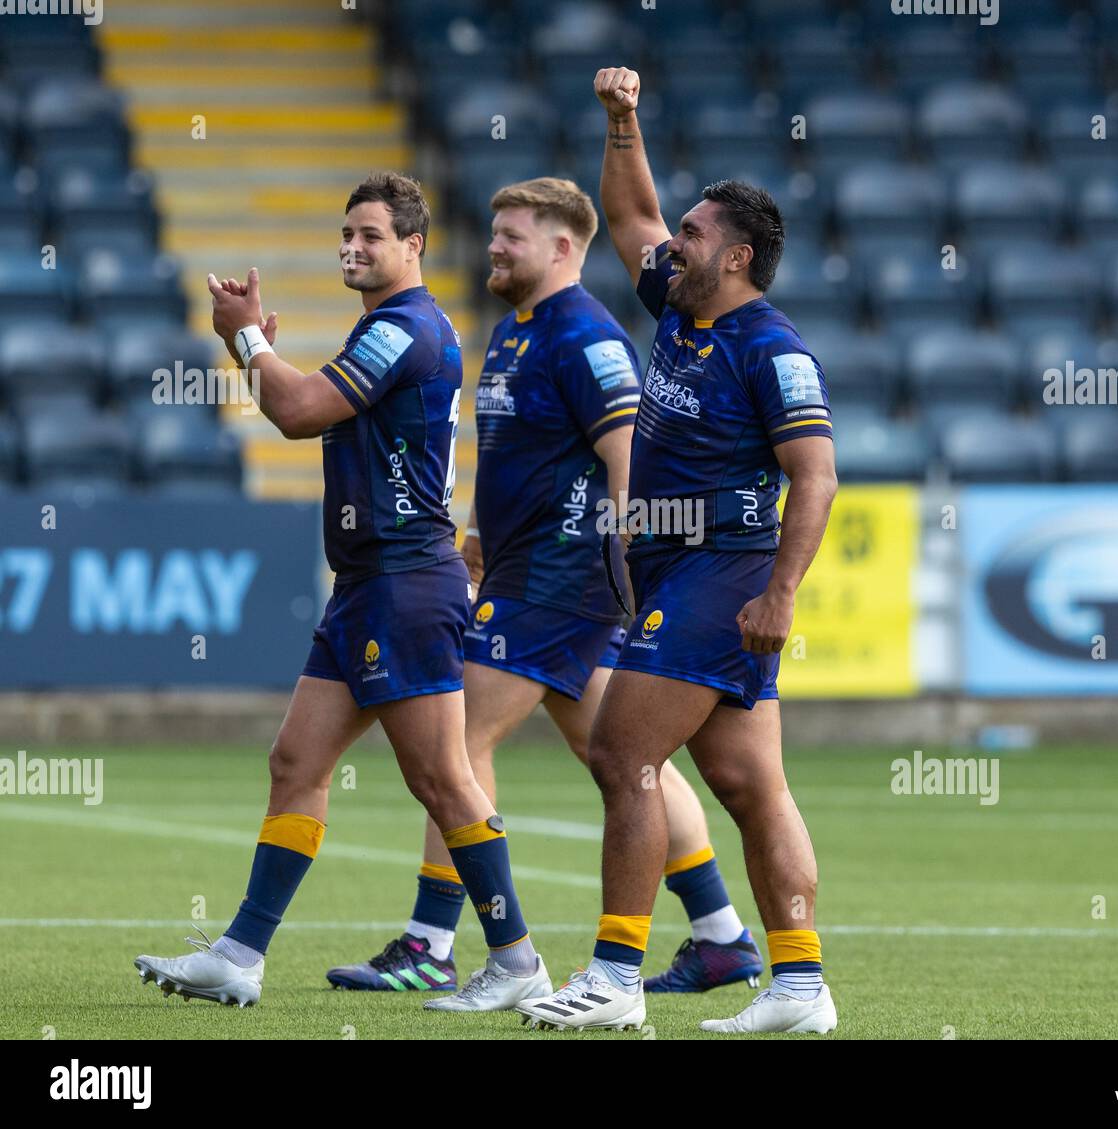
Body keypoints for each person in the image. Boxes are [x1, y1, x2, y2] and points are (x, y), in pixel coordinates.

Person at [324, 177, 762, 1002]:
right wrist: (482, 540)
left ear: (563, 247)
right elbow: (513, 454)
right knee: (620, 752)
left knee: (457, 742)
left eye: (511, 236)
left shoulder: (587, 337)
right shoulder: (516, 331)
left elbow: (627, 451)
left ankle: (432, 939)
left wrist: (636, 555)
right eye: (493, 232)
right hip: (525, 570)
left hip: (562, 575)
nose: (493, 246)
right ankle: (721, 933)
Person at [133, 172, 549, 1011]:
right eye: (346, 234)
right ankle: (240, 953)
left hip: (405, 583)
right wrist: (252, 349)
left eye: (370, 235)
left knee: (442, 779)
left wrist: (249, 342)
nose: (352, 247)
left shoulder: (406, 328)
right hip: (365, 586)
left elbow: (298, 411)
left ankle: (516, 958)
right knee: (297, 760)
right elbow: (301, 403)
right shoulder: (385, 330)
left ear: (413, 246)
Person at [517, 69, 839, 1034]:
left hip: (723, 570)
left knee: (623, 753)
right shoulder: (680, 304)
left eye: (694, 235)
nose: (672, 242)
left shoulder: (771, 350)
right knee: (747, 784)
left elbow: (815, 479)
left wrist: (781, 596)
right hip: (675, 569)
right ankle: (801, 985)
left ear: (736, 257)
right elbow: (631, 211)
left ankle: (614, 977)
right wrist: (623, 121)